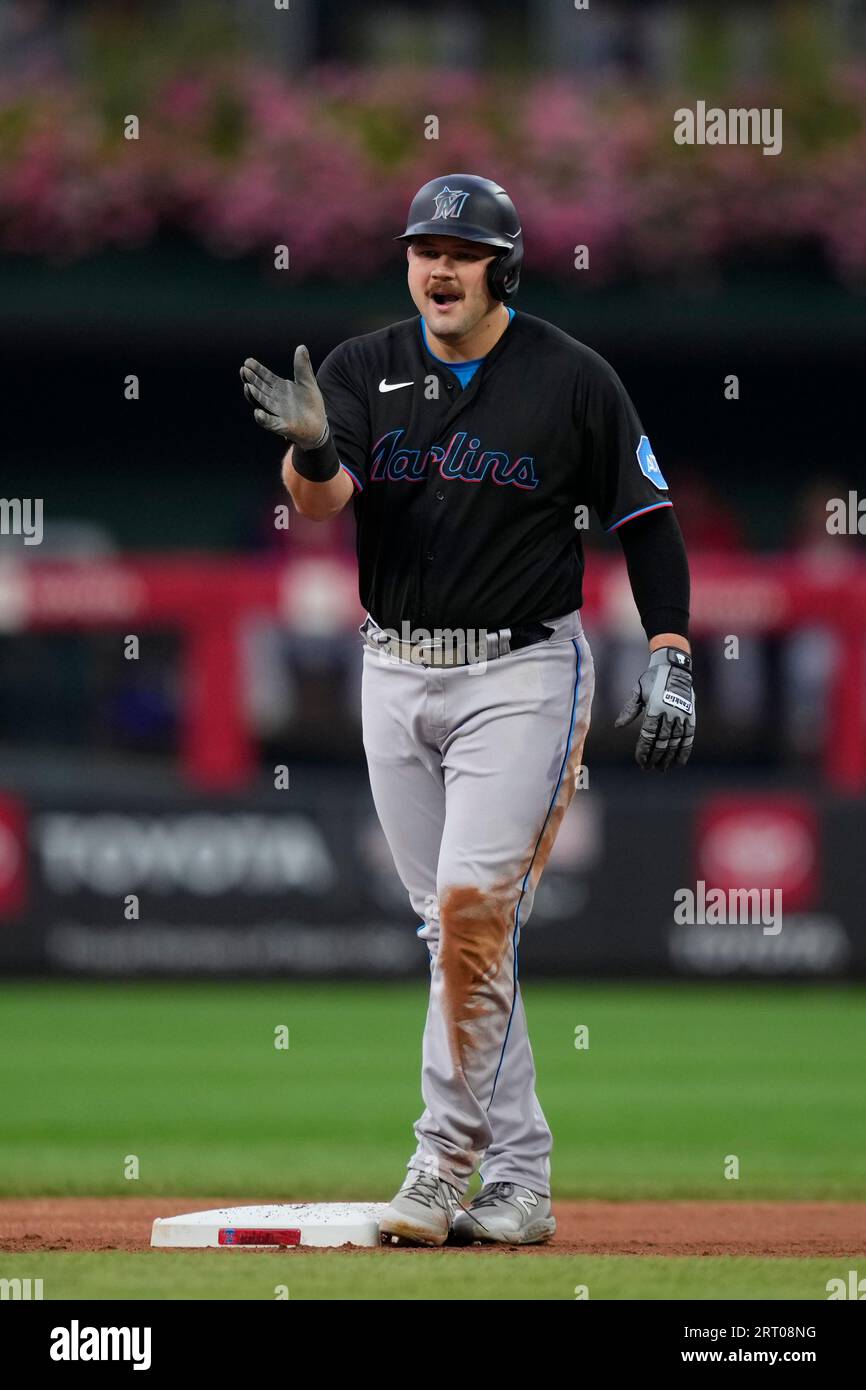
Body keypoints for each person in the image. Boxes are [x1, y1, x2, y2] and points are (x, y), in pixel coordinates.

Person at [240, 174, 695, 1247]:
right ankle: (522, 1178)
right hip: (393, 666)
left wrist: (670, 648)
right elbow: (322, 501)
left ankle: (444, 1162)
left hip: (520, 673)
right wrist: (310, 447)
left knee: (469, 913)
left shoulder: (570, 378)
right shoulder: (361, 367)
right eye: (422, 248)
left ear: (505, 266)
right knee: (455, 930)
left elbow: (647, 518)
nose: (437, 267)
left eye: (462, 249)